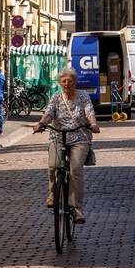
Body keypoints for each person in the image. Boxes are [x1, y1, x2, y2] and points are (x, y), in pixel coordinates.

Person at [34, 66, 100, 224]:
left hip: (80, 137)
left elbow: (89, 111)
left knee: (75, 170)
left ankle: (77, 209)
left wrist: (93, 124)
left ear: (75, 82)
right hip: (58, 135)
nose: (66, 84)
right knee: (53, 165)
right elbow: (49, 113)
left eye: (69, 81)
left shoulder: (83, 96)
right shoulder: (56, 97)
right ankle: (52, 194)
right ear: (59, 83)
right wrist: (42, 123)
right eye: (63, 81)